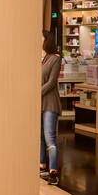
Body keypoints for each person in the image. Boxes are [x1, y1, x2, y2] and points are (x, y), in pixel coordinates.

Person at [40, 31, 61, 185]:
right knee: (38, 136)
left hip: (49, 103)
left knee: (49, 137)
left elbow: (52, 82)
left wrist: (35, 93)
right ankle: (42, 167)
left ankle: (53, 171)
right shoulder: (38, 59)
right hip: (37, 103)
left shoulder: (55, 59)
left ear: (46, 40)